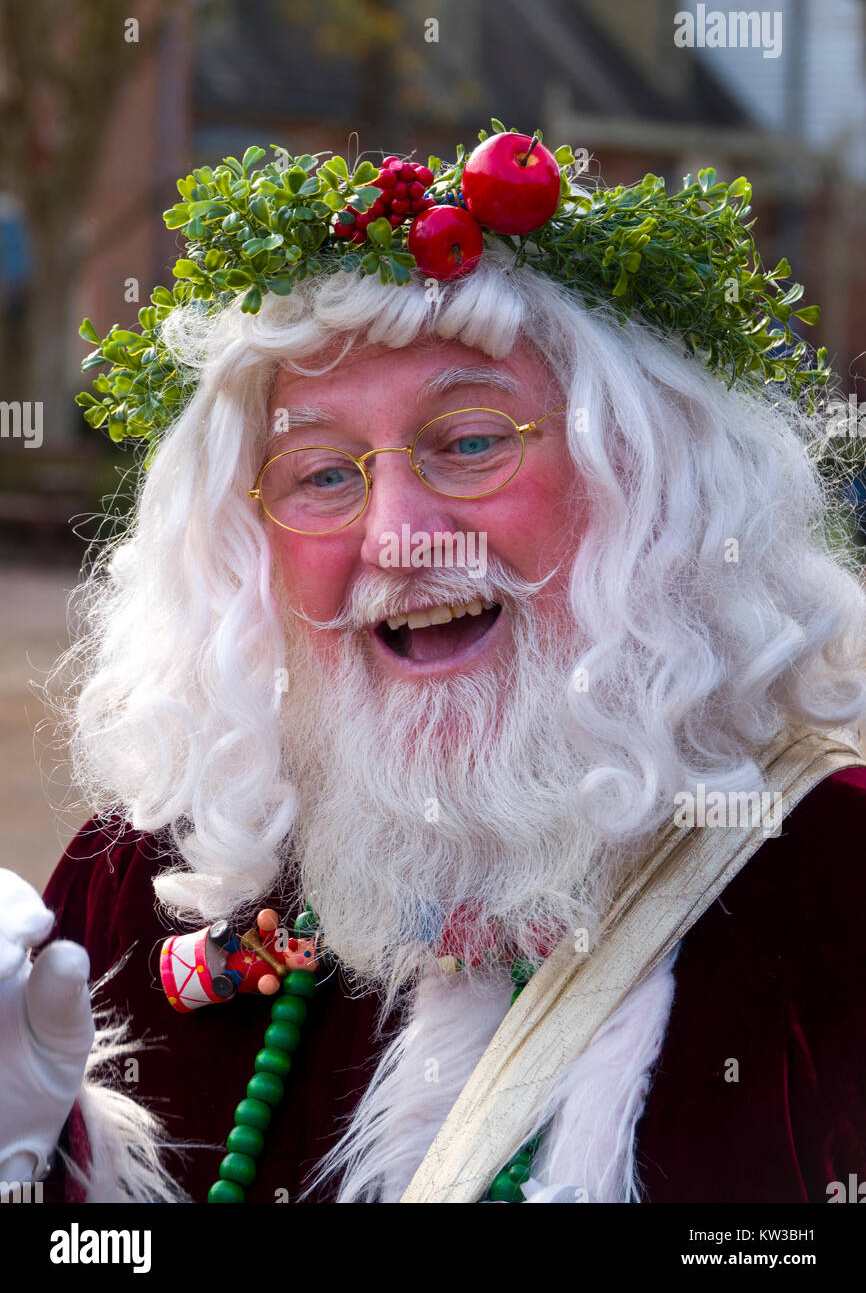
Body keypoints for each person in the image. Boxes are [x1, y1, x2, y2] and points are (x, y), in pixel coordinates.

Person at [2, 131, 865, 1205]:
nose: (401, 539)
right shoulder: (147, 887)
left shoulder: (836, 884)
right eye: (320, 473)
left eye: (469, 443)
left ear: (648, 483)